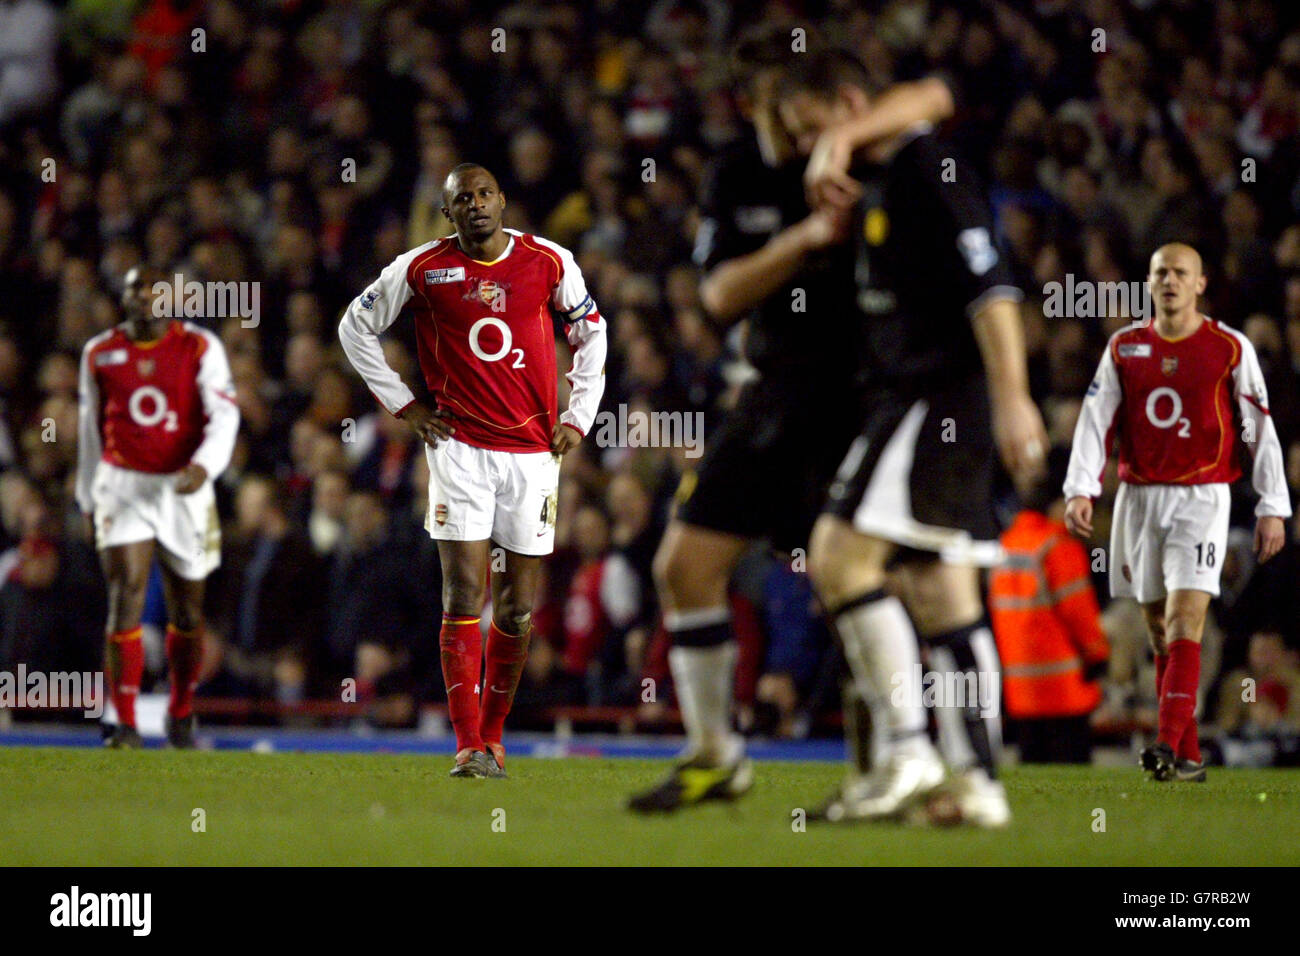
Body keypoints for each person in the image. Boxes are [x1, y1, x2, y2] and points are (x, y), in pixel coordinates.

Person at [628, 25, 956, 813]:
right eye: (763, 104)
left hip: (861, 396)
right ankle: (715, 753)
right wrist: (808, 237)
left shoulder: (860, 149)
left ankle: (909, 757)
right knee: (684, 567)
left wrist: (843, 137)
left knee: (866, 584)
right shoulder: (737, 173)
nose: (772, 119)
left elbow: (937, 94)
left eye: (787, 104)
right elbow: (718, 296)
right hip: (772, 393)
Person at [776, 49, 1048, 827]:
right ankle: (978, 784)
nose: (805, 147)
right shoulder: (885, 183)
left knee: (837, 556)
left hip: (937, 399)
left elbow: (990, 288)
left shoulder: (931, 164)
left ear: (852, 102)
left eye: (809, 128)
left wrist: (1015, 398)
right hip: (916, 398)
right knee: (940, 592)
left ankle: (906, 747)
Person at [338, 163, 607, 778]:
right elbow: (355, 327)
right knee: (463, 593)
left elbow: (592, 331)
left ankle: (494, 734)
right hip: (459, 450)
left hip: (534, 455)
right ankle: (467, 746)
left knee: (516, 608)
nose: (477, 205)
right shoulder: (421, 268)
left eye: (485, 194)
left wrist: (580, 414)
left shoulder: (548, 261)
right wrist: (405, 405)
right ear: (448, 211)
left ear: (502, 201)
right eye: (463, 199)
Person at [1063, 242, 1292, 783]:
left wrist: (1273, 505)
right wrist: (1080, 487)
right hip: (1138, 499)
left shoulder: (1230, 348)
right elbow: (1095, 420)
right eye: (1160, 272)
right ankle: (1188, 755)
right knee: (1158, 630)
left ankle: (1165, 743)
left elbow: (1260, 428)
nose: (1169, 280)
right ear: (1149, 283)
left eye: (1179, 273)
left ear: (1200, 284)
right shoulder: (1124, 347)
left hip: (1202, 497)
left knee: (1185, 617)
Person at [76, 264, 240, 748]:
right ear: (123, 300)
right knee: (125, 590)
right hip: (122, 483)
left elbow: (224, 413)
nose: (144, 300)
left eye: (153, 293)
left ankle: (181, 708)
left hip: (182, 487)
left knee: (187, 610)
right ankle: (124, 722)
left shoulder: (200, 347)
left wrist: (205, 466)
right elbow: (89, 429)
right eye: (135, 292)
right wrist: (87, 493)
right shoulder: (100, 353)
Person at [989, 452, 1109, 764]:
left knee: (1033, 778)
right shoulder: (1059, 547)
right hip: (1064, 691)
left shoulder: (1006, 545)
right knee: (1073, 781)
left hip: (1021, 690)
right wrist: (1098, 655)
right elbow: (1079, 615)